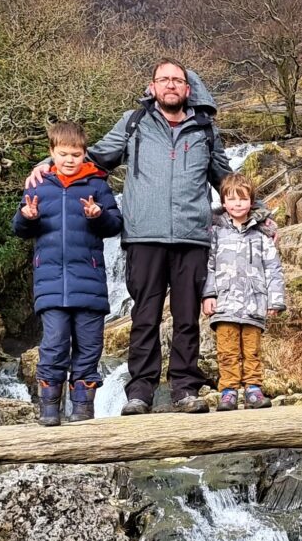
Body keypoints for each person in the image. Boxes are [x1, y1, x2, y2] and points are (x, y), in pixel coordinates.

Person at [26, 59, 224, 415]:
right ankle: (140, 392)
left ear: (188, 88)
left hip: (192, 237)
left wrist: (255, 213)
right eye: (163, 79)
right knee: (144, 316)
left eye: (176, 80)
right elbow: (95, 158)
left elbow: (224, 176)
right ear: (153, 87)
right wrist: (47, 165)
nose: (170, 85)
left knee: (186, 317)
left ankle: (184, 388)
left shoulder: (205, 130)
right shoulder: (134, 123)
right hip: (143, 236)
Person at [13, 120, 122, 425]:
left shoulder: (97, 185)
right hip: (50, 284)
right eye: (63, 153)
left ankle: (83, 410)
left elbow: (115, 225)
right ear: (52, 153)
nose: (70, 159)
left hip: (89, 283)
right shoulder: (38, 185)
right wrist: (27, 217)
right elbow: (18, 228)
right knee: (54, 344)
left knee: (89, 347)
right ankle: (49, 409)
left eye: (76, 154)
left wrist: (98, 216)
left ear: (84, 153)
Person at [202, 172, 287, 410]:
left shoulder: (262, 233)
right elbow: (208, 266)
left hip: (254, 303)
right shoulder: (216, 231)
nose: (237, 204)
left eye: (243, 198)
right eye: (232, 199)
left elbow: (273, 268)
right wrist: (208, 295)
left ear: (251, 201)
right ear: (223, 202)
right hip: (225, 304)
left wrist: (275, 300)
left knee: (252, 350)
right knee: (227, 351)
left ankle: (253, 390)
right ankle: (228, 391)